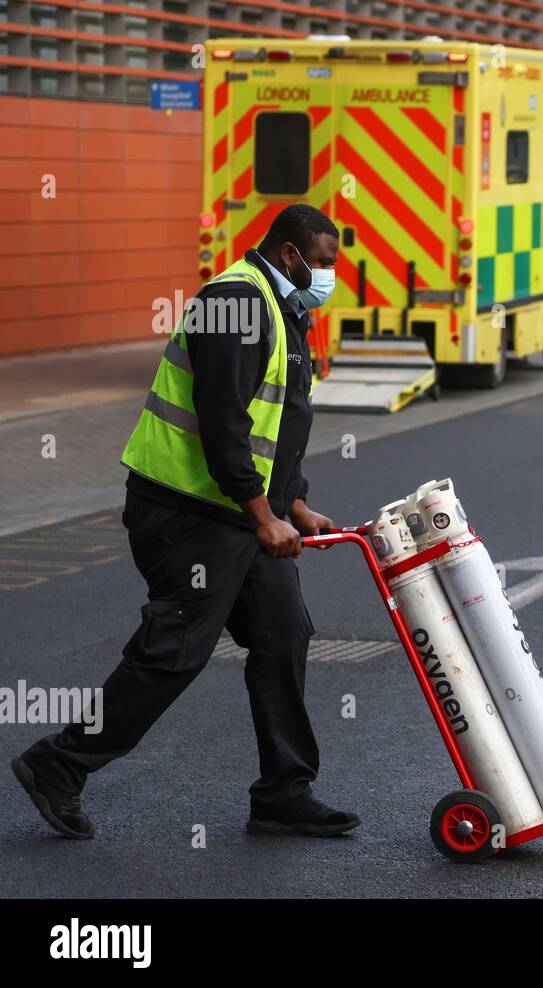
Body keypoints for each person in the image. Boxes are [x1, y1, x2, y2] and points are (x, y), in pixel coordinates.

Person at [12, 204, 360, 839]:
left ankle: (284, 792)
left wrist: (296, 503)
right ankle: (58, 764)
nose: (329, 275)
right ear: (288, 254)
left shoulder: (282, 308)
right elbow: (225, 425)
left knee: (284, 635)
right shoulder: (235, 304)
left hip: (238, 512)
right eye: (323, 263)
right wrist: (263, 516)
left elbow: (277, 423)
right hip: (190, 512)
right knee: (176, 650)